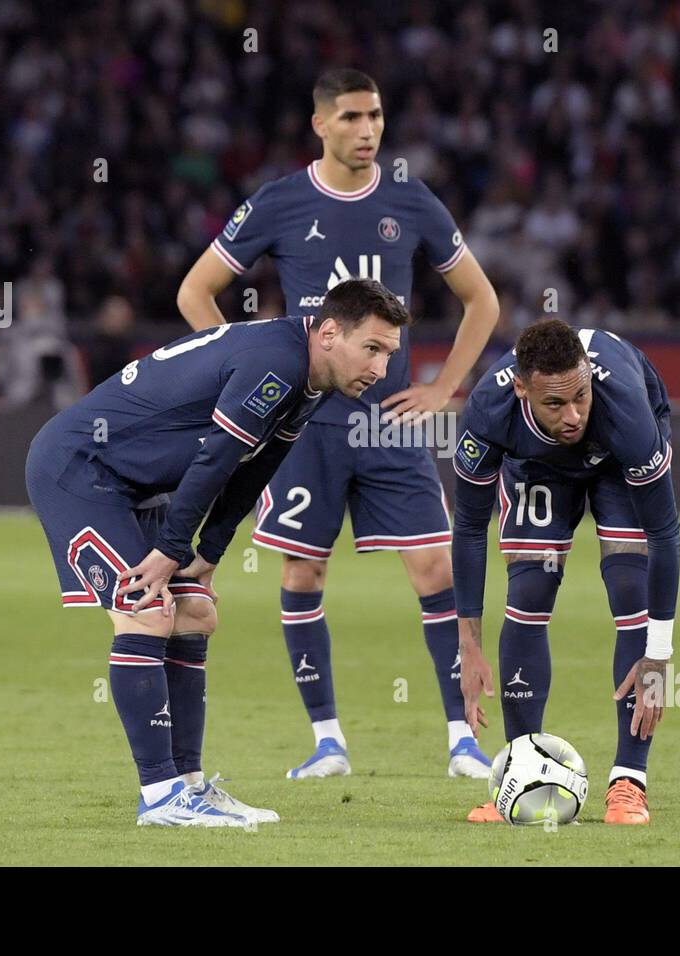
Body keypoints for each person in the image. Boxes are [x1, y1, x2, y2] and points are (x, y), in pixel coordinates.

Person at [176, 68, 500, 780]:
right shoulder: (280, 202)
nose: (368, 130)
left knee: (434, 566)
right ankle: (327, 742)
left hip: (389, 422)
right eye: (352, 117)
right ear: (320, 124)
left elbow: (482, 300)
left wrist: (446, 388)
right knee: (302, 571)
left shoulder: (410, 199)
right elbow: (195, 290)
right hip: (304, 425)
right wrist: (245, 370)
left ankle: (463, 742)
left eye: (377, 116)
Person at [25, 280, 409, 826]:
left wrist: (207, 551)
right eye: (372, 348)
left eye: (390, 352)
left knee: (196, 614)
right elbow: (215, 460)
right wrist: (171, 549)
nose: (382, 367)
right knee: (147, 610)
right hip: (78, 469)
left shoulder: (307, 378)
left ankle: (189, 785)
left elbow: (256, 466)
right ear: (328, 333)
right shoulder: (275, 363)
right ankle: (160, 798)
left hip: (132, 482)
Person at [450, 319, 680, 825]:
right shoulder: (489, 411)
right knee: (529, 590)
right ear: (521, 388)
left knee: (628, 585)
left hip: (617, 462)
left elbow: (665, 534)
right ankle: (521, 770)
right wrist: (467, 644)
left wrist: (659, 656)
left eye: (579, 396)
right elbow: (468, 525)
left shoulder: (625, 412)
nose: (573, 414)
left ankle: (629, 782)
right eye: (554, 404)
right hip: (540, 468)